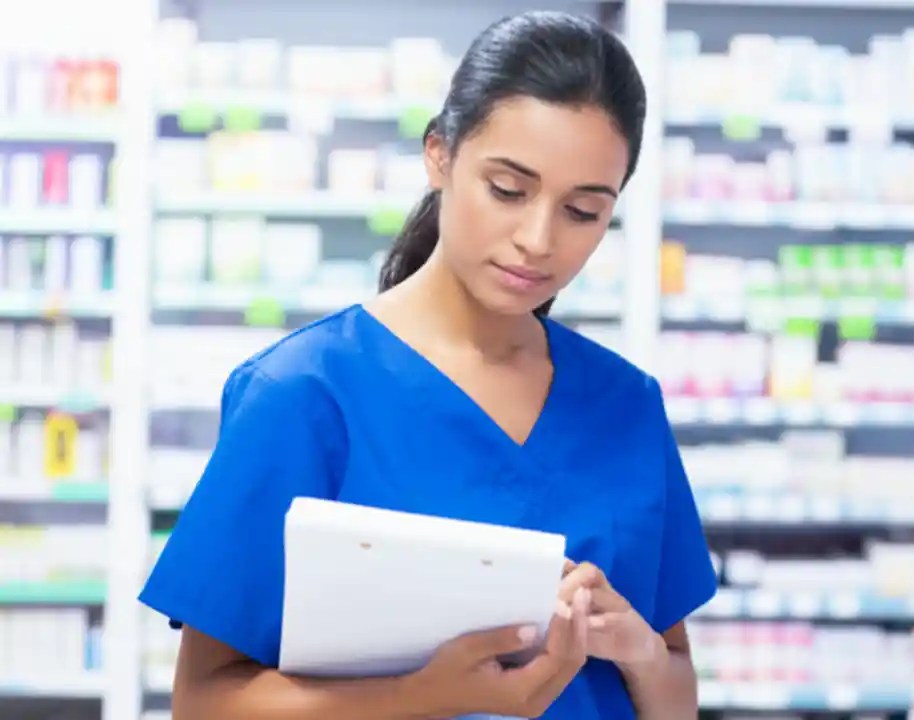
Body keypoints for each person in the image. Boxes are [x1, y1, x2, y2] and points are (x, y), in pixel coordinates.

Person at [138, 10, 718, 720]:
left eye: (582, 211)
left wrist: (642, 654)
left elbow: (677, 693)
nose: (537, 240)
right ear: (440, 154)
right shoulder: (303, 393)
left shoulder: (626, 405)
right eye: (508, 190)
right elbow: (203, 703)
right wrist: (428, 694)